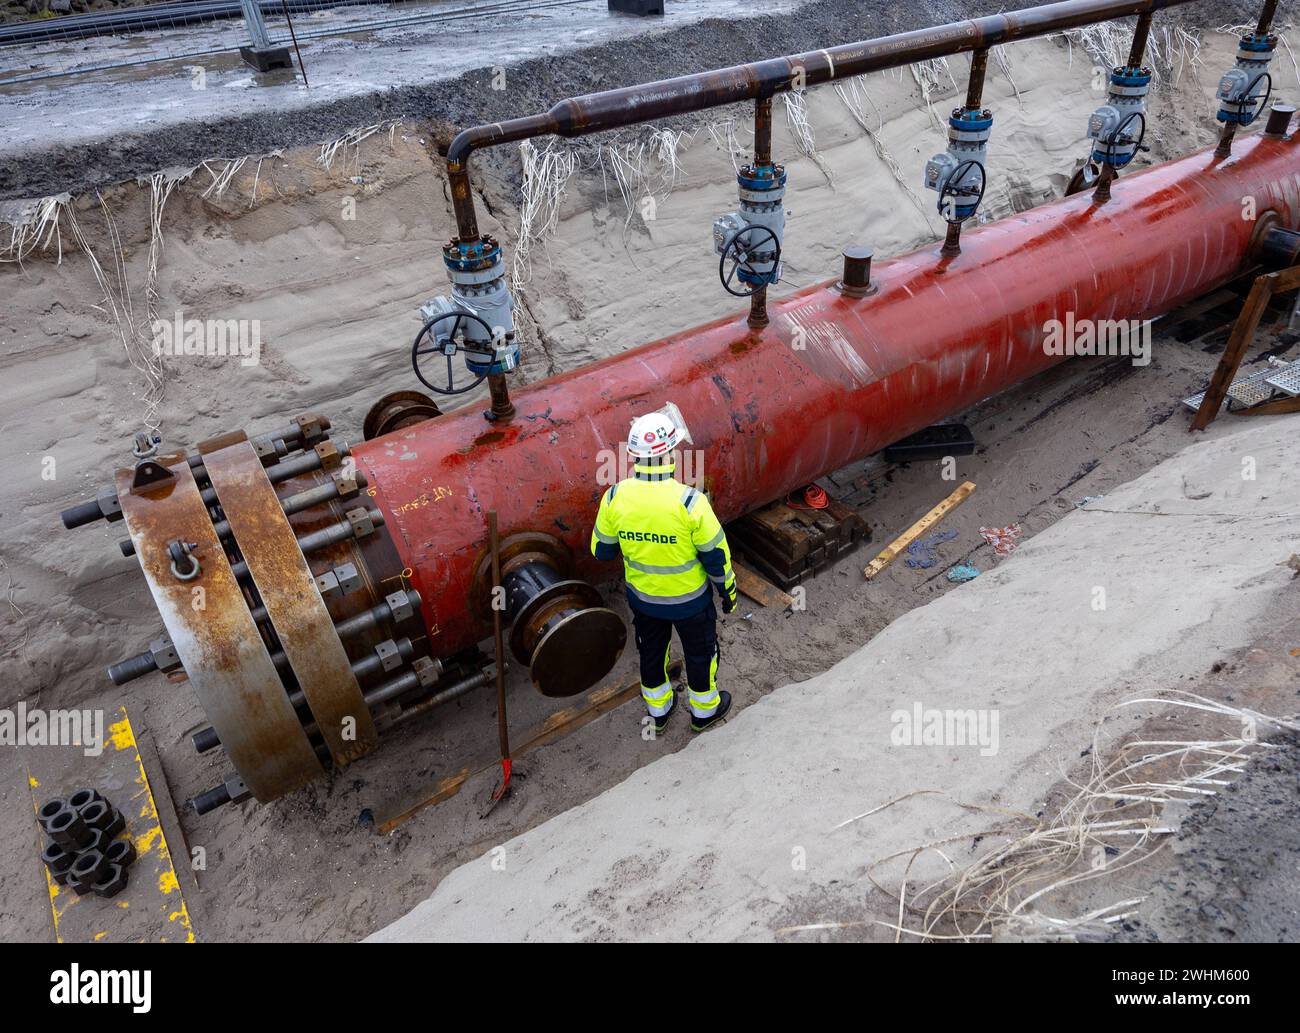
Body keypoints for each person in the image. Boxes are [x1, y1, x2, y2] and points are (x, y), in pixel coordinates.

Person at [590, 409, 737, 733]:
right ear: (671, 452)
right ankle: (704, 712)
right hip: (691, 604)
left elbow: (601, 551)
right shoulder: (690, 502)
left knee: (652, 653)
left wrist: (636, 538)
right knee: (700, 655)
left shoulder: (614, 496)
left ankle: (659, 710)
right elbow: (716, 558)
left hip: (644, 602)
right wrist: (728, 594)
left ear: (632, 456)